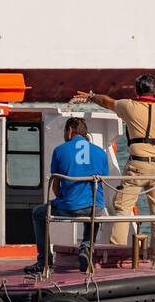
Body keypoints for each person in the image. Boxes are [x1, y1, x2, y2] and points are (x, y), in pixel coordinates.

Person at [75, 74, 155, 259]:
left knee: (123, 207)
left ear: (136, 90)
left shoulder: (129, 106)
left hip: (137, 166)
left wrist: (91, 96)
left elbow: (107, 102)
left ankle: (116, 251)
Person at [26, 118, 109, 275]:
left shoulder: (60, 150)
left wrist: (64, 197)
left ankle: (44, 260)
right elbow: (102, 185)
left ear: (70, 131)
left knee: (38, 213)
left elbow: (56, 187)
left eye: (65, 132)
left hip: (69, 207)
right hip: (94, 208)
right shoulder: (100, 153)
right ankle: (86, 247)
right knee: (95, 207)